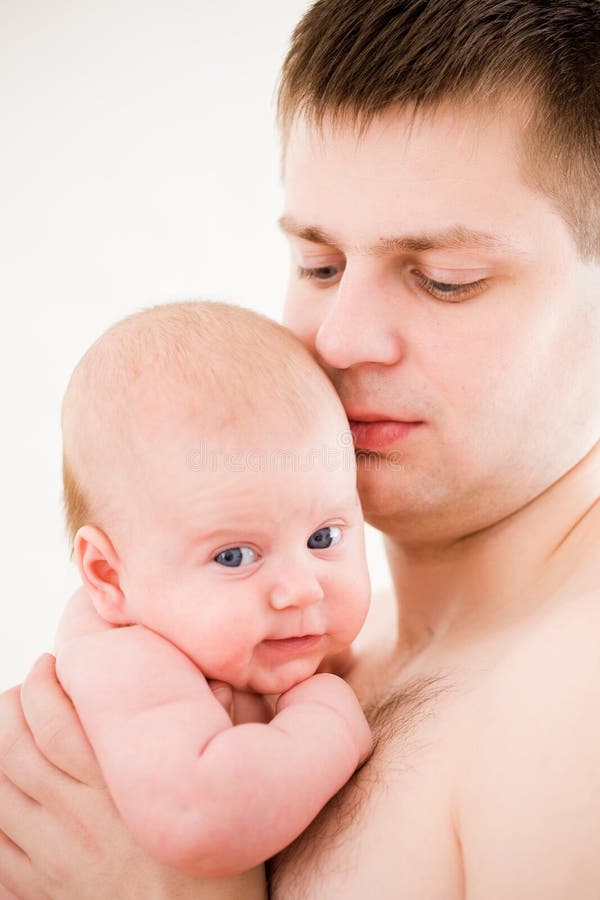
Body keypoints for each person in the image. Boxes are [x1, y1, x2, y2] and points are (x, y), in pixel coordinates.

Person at [1, 0, 599, 897]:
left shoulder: (577, 694)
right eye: (320, 266)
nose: (342, 338)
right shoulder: (309, 643)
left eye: (446, 281)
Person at [54, 300, 371, 880]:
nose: (300, 590)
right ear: (108, 576)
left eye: (323, 538)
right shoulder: (125, 661)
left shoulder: (216, 639)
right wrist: (331, 721)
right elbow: (199, 816)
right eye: (234, 557)